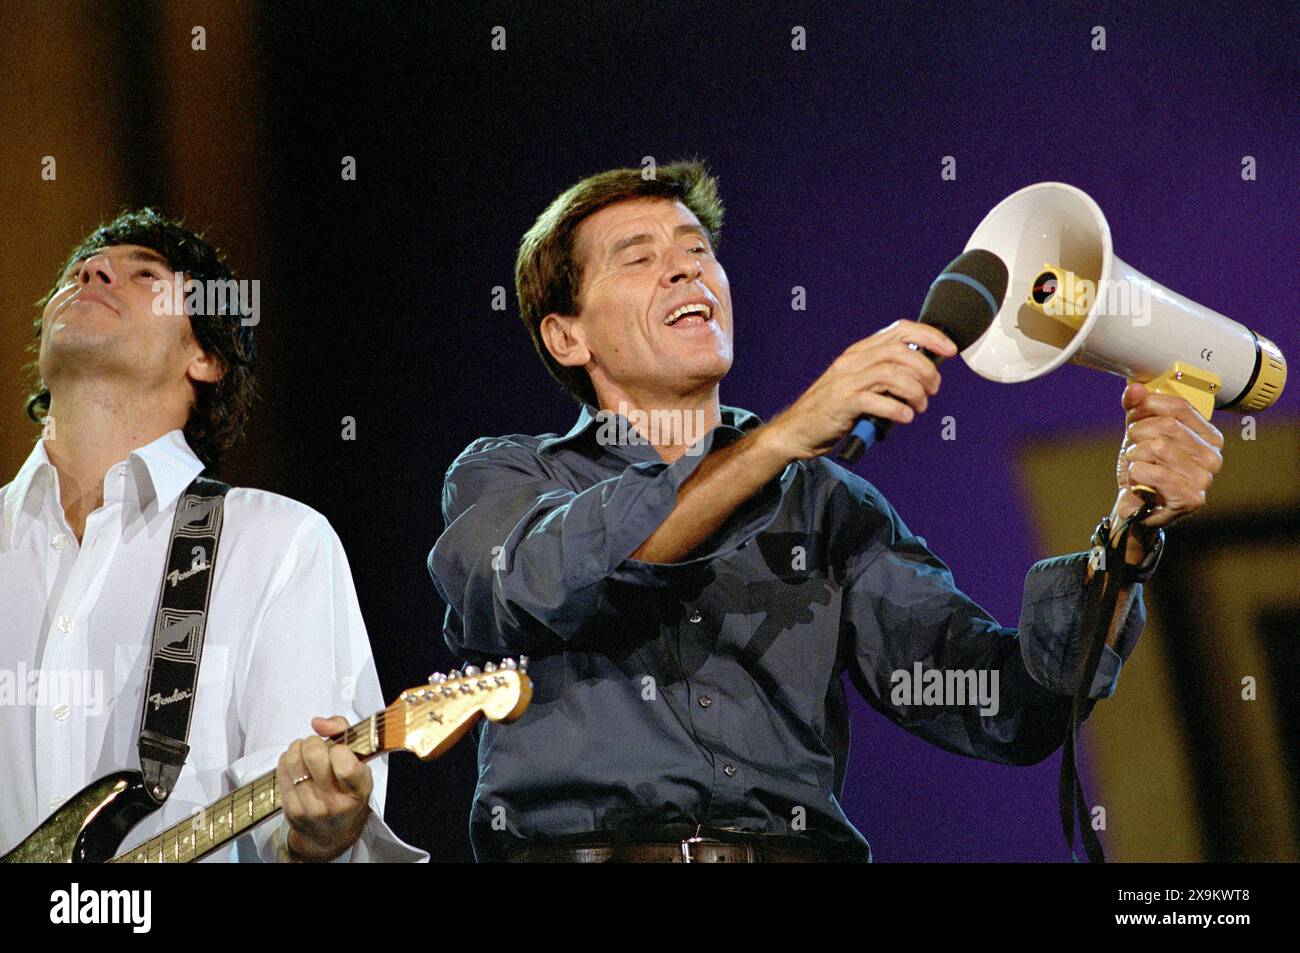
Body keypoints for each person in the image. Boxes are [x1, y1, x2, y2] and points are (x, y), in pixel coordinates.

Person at [428, 161, 1224, 862]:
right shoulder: (506, 476)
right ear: (566, 336)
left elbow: (1002, 707)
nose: (684, 270)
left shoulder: (827, 504)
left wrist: (1125, 537)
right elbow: (547, 581)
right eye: (639, 258)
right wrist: (782, 438)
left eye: (698, 251)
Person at [0, 209, 426, 862]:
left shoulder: (278, 544)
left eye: (145, 274)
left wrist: (324, 831)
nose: (94, 271)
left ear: (205, 356)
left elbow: (298, 830)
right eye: (78, 271)